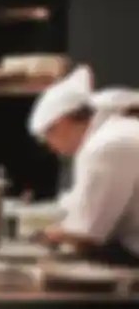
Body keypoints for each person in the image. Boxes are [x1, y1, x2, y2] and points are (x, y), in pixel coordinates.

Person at [28, 66, 139, 265]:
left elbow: (89, 233)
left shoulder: (104, 146)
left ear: (61, 123)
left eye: (47, 139)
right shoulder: (116, 132)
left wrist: (49, 235)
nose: (51, 148)